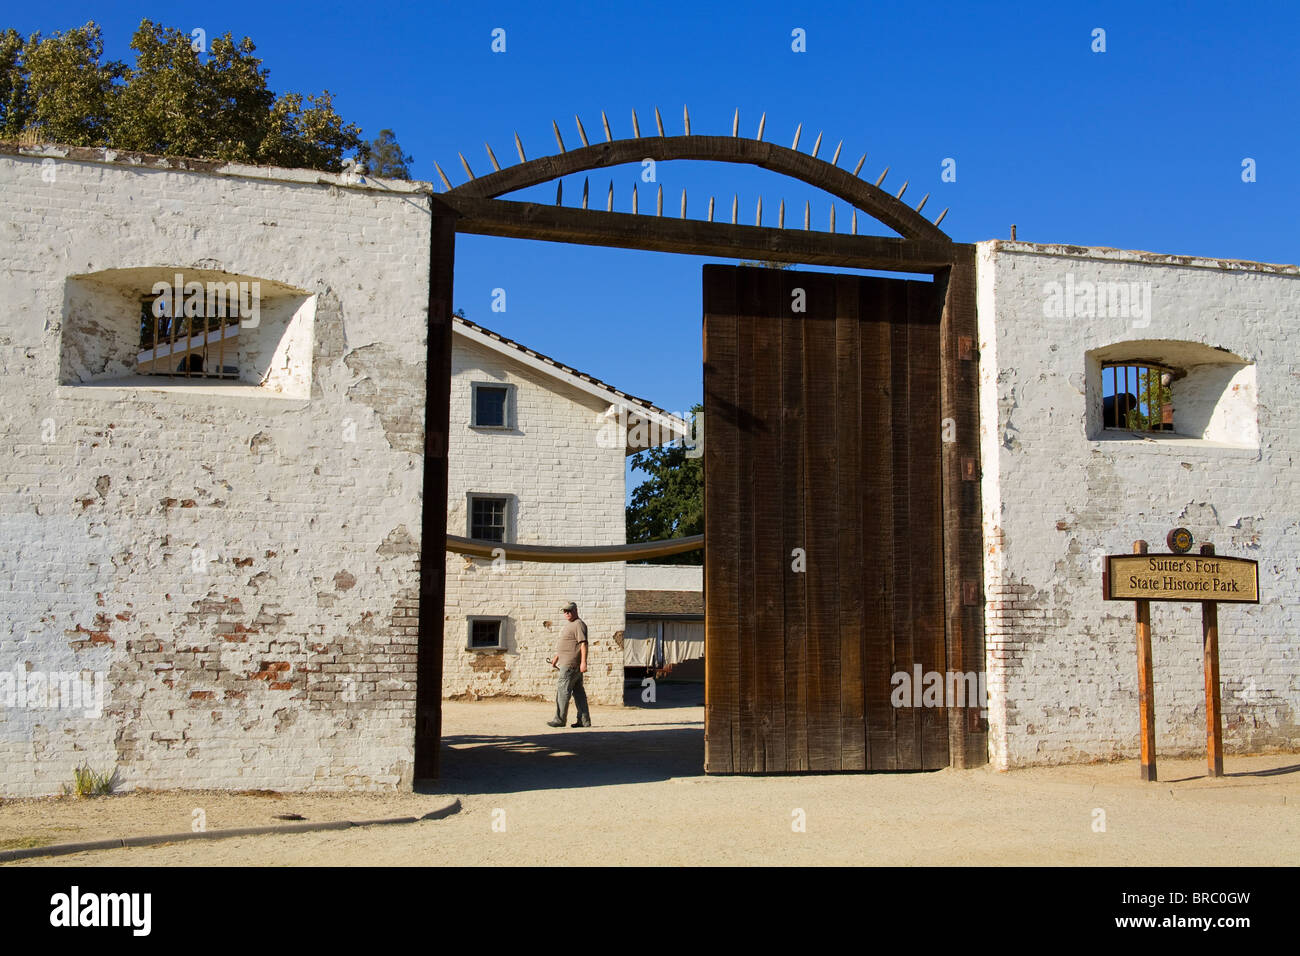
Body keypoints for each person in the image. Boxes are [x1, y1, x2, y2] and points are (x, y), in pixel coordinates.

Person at [547, 601, 591, 728]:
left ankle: (559, 719)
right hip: (569, 664)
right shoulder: (570, 625)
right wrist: (556, 657)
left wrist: (583, 662)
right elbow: (567, 644)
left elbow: (583, 644)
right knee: (578, 693)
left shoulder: (578, 624)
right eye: (565, 611)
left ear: (576, 610)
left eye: (569, 611)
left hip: (570, 666)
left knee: (562, 691)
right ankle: (583, 720)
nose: (567, 613)